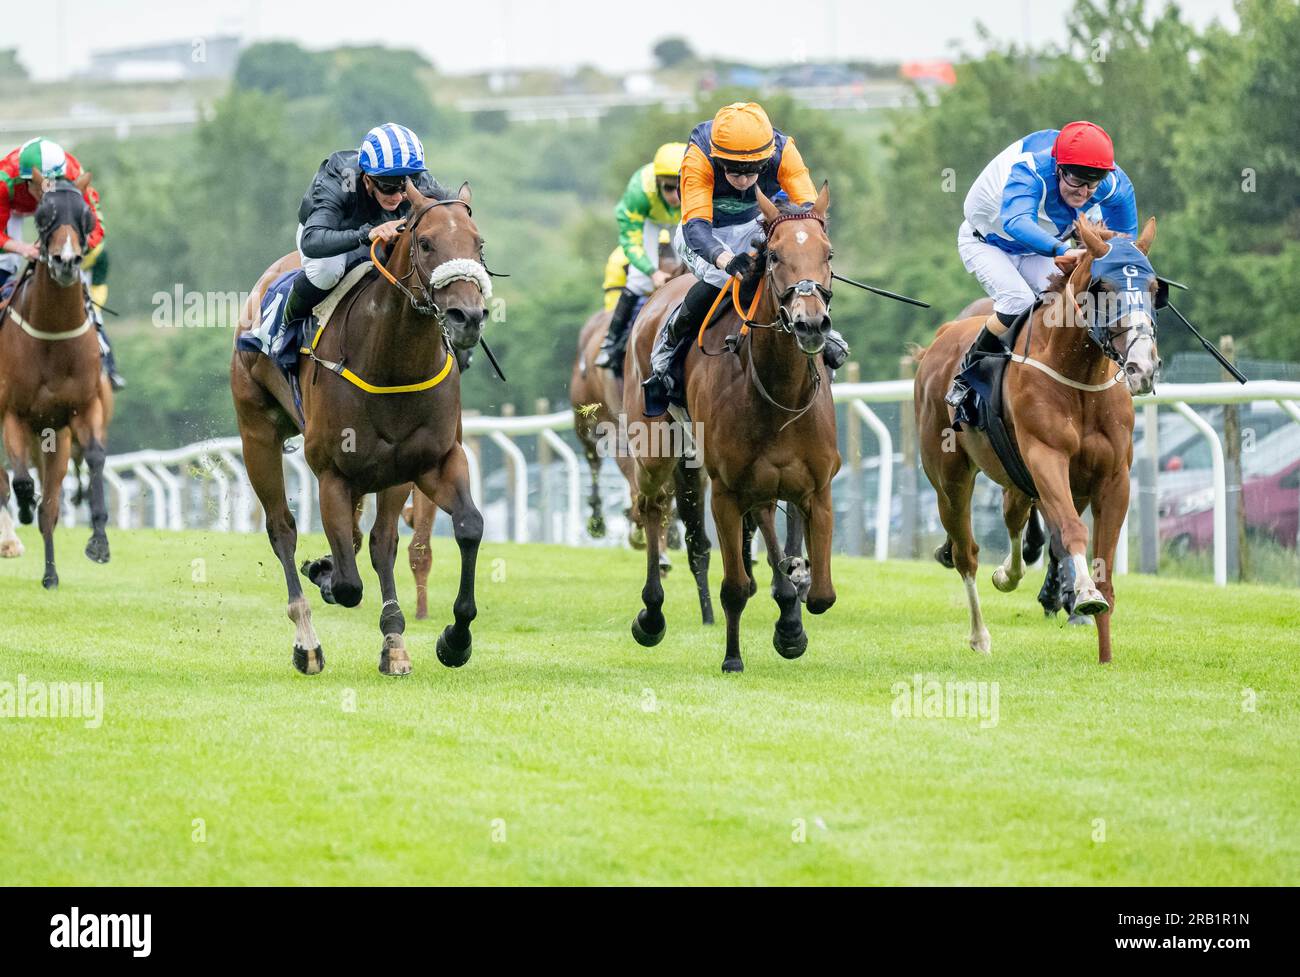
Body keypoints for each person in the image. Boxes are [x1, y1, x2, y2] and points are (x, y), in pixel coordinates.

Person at [641, 102, 848, 413]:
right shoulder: (698, 155)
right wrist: (726, 259)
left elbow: (806, 212)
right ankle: (669, 343)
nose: (742, 179)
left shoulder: (783, 150)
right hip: (706, 230)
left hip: (757, 222)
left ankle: (821, 327)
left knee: (794, 266)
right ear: (717, 158)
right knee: (724, 276)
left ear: (765, 159)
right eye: (733, 170)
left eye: (752, 170)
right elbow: (696, 226)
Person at [945, 121, 1137, 410]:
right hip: (987, 244)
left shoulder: (1112, 183)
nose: (1084, 191)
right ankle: (967, 377)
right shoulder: (1029, 171)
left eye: (1092, 182)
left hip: (1036, 246)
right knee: (1018, 301)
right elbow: (1016, 221)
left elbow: (1126, 245)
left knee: (1066, 305)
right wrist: (1062, 249)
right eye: (1077, 180)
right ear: (1058, 168)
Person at [284, 123, 449, 332]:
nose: (398, 196)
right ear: (367, 178)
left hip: (377, 233)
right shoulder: (342, 178)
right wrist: (368, 234)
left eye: (404, 186)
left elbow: (448, 222)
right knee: (327, 272)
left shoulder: (420, 179)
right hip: (333, 231)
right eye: (388, 187)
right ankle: (286, 329)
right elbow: (312, 241)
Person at [0, 136, 125, 388]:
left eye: (53, 184)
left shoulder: (73, 174)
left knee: (81, 284)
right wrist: (23, 247)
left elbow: (97, 229)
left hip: (61, 211)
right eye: (39, 186)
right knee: (7, 265)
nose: (46, 192)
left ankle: (106, 362)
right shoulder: (4, 182)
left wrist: (71, 249)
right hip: (10, 213)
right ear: (26, 180)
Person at [593, 142, 686, 368]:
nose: (674, 196)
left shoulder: (701, 182)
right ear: (656, 183)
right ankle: (611, 343)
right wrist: (651, 271)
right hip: (649, 220)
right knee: (638, 279)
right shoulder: (639, 191)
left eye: (679, 187)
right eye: (667, 188)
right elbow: (631, 241)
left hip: (686, 216)